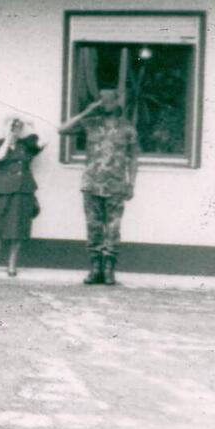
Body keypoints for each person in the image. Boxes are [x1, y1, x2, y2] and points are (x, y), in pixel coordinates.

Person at [61, 88, 139, 286]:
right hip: (91, 184)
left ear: (116, 102)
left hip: (116, 184)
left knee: (113, 229)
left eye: (108, 99)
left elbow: (133, 159)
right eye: (101, 99)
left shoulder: (127, 128)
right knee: (93, 227)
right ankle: (95, 269)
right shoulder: (90, 124)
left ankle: (109, 270)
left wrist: (131, 183)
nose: (104, 103)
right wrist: (88, 111)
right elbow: (62, 129)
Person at [0, 116, 45, 277]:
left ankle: (12, 264)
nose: (15, 130)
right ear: (4, 127)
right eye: (12, 127)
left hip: (23, 191)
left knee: (19, 228)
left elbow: (43, 142)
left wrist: (33, 127)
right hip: (2, 191)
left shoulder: (26, 144)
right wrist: (7, 139)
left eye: (18, 128)